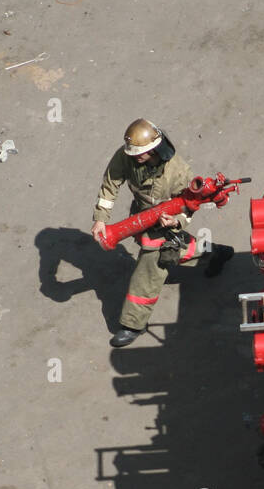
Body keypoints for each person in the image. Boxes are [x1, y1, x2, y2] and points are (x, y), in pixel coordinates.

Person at [90, 118, 233, 347]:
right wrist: (100, 219)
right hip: (141, 217)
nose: (136, 157)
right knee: (179, 252)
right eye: (134, 153)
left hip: (164, 225)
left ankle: (133, 324)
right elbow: (110, 184)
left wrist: (176, 222)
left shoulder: (178, 172)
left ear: (154, 148)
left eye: (141, 153)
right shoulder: (126, 156)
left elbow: (189, 208)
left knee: (150, 267)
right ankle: (215, 252)